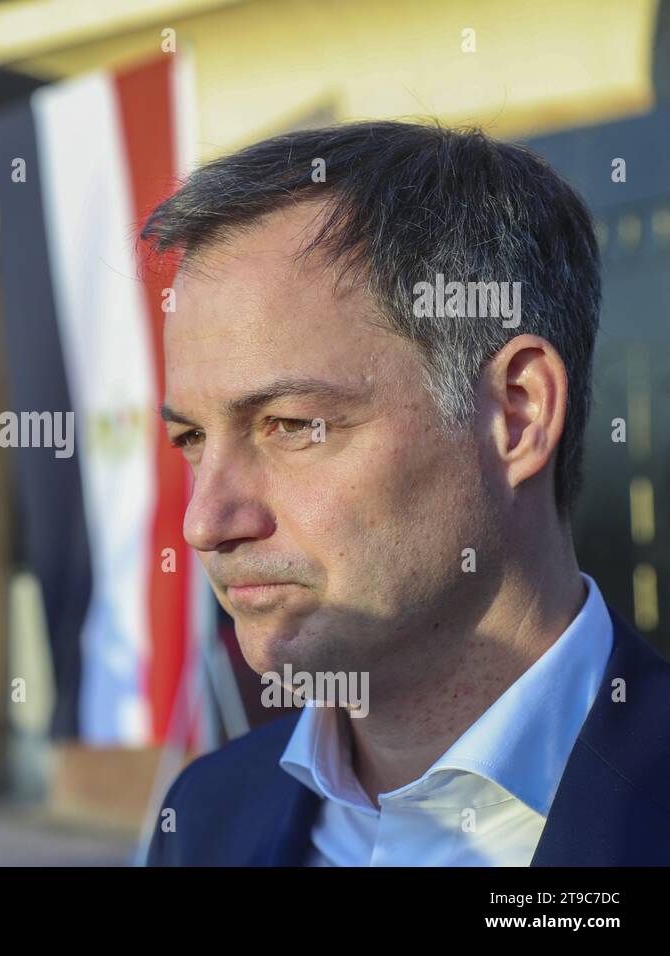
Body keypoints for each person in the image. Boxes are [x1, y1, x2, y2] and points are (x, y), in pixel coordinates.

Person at [142, 120, 670, 865]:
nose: (206, 521)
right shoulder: (204, 818)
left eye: (290, 426)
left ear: (515, 416)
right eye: (192, 438)